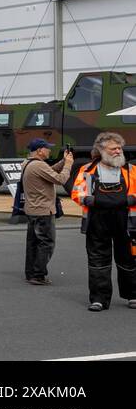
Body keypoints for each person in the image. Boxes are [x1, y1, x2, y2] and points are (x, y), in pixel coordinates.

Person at [69, 132, 136, 311]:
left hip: (127, 223)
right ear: (101, 150)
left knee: (129, 259)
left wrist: (131, 199)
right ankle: (99, 299)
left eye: (119, 148)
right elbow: (76, 192)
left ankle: (133, 295)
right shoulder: (87, 170)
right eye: (113, 148)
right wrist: (87, 200)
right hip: (97, 222)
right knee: (98, 260)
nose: (118, 151)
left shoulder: (130, 170)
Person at [21, 138, 73, 285]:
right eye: (47, 148)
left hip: (32, 208)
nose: (49, 150)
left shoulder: (29, 163)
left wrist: (63, 162)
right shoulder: (38, 165)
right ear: (39, 150)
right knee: (46, 243)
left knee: (33, 243)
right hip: (43, 210)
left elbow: (50, 171)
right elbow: (60, 179)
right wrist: (68, 165)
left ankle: (31, 273)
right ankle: (38, 274)